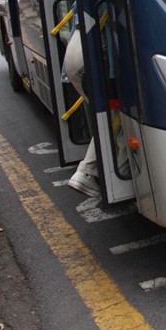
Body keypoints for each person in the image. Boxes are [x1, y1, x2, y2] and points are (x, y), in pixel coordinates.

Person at [62, 17, 100, 198]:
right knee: (117, 119)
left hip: (74, 52)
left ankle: (89, 171)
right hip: (87, 56)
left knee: (106, 117)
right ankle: (87, 173)